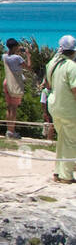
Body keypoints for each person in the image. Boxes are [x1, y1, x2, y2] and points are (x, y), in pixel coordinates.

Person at [45, 36, 76, 184]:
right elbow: (74, 89)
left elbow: (48, 85)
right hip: (68, 108)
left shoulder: (52, 63)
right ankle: (66, 175)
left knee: (62, 139)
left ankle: (58, 172)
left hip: (54, 106)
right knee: (71, 141)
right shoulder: (71, 66)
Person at [2, 39, 31, 138]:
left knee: (9, 107)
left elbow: (9, 54)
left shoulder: (4, 56)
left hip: (6, 82)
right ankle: (12, 131)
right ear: (15, 47)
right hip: (15, 83)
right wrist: (28, 56)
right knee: (14, 107)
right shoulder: (18, 58)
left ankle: (8, 130)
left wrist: (14, 51)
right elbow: (28, 67)